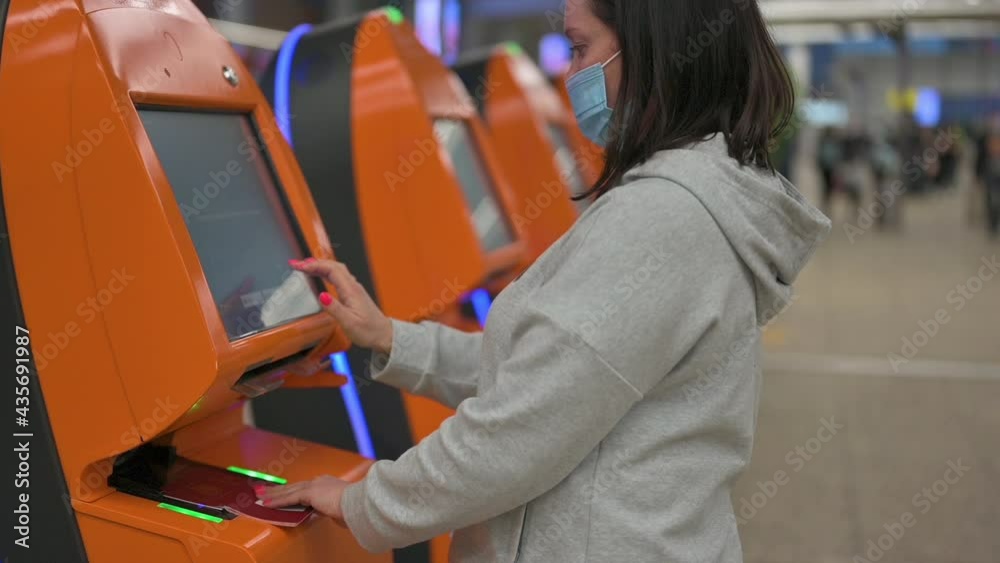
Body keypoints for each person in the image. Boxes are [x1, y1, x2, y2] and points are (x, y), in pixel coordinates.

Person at [258, 1, 832, 561]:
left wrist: (362, 502)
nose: (569, 71)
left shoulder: (660, 218)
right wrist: (389, 337)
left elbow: (518, 434)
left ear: (652, 51)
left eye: (580, 47)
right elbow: (545, 370)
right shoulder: (693, 200)